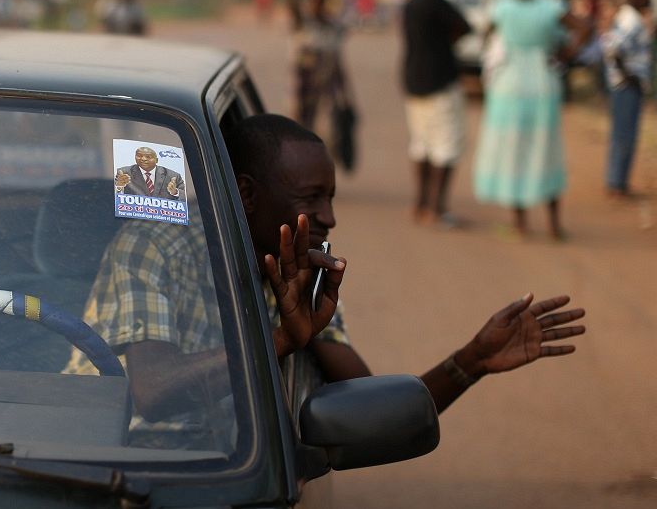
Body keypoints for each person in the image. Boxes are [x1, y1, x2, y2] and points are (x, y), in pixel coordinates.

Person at [68, 113, 586, 451]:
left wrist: (471, 360)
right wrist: (280, 341)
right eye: (311, 198)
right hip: (102, 462)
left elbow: (372, 408)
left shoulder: (308, 274)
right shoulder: (154, 246)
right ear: (246, 195)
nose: (330, 217)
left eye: (331, 198)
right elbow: (153, 394)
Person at [472, 0, 586, 241]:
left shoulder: (501, 7)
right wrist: (566, 53)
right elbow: (584, 28)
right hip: (543, 82)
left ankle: (520, 224)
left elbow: (486, 36)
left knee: (514, 152)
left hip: (508, 85)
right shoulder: (551, 6)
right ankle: (553, 225)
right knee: (546, 150)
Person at [402, 0, 472, 229]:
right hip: (440, 82)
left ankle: (420, 204)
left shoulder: (411, 3)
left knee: (421, 144)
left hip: (414, 81)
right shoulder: (437, 2)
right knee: (445, 146)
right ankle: (436, 208)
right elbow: (464, 26)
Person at [601, 0, 653, 200]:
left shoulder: (627, 16)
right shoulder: (631, 19)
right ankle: (617, 184)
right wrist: (627, 75)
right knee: (625, 135)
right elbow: (614, 49)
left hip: (624, 83)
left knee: (621, 133)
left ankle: (617, 181)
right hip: (626, 85)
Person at [288, 0, 351, 140]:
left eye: (321, 1)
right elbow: (292, 1)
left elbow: (338, 66)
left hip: (327, 95)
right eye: (315, 1)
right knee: (302, 133)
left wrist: (345, 96)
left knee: (327, 135)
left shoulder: (334, 29)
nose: (317, 5)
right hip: (304, 93)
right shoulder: (305, 26)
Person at [114, 146, 185, 201]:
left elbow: (187, 198)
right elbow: (111, 198)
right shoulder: (123, 173)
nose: (143, 159)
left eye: (148, 157)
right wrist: (119, 186)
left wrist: (175, 192)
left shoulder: (173, 176)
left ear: (156, 160)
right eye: (139, 156)